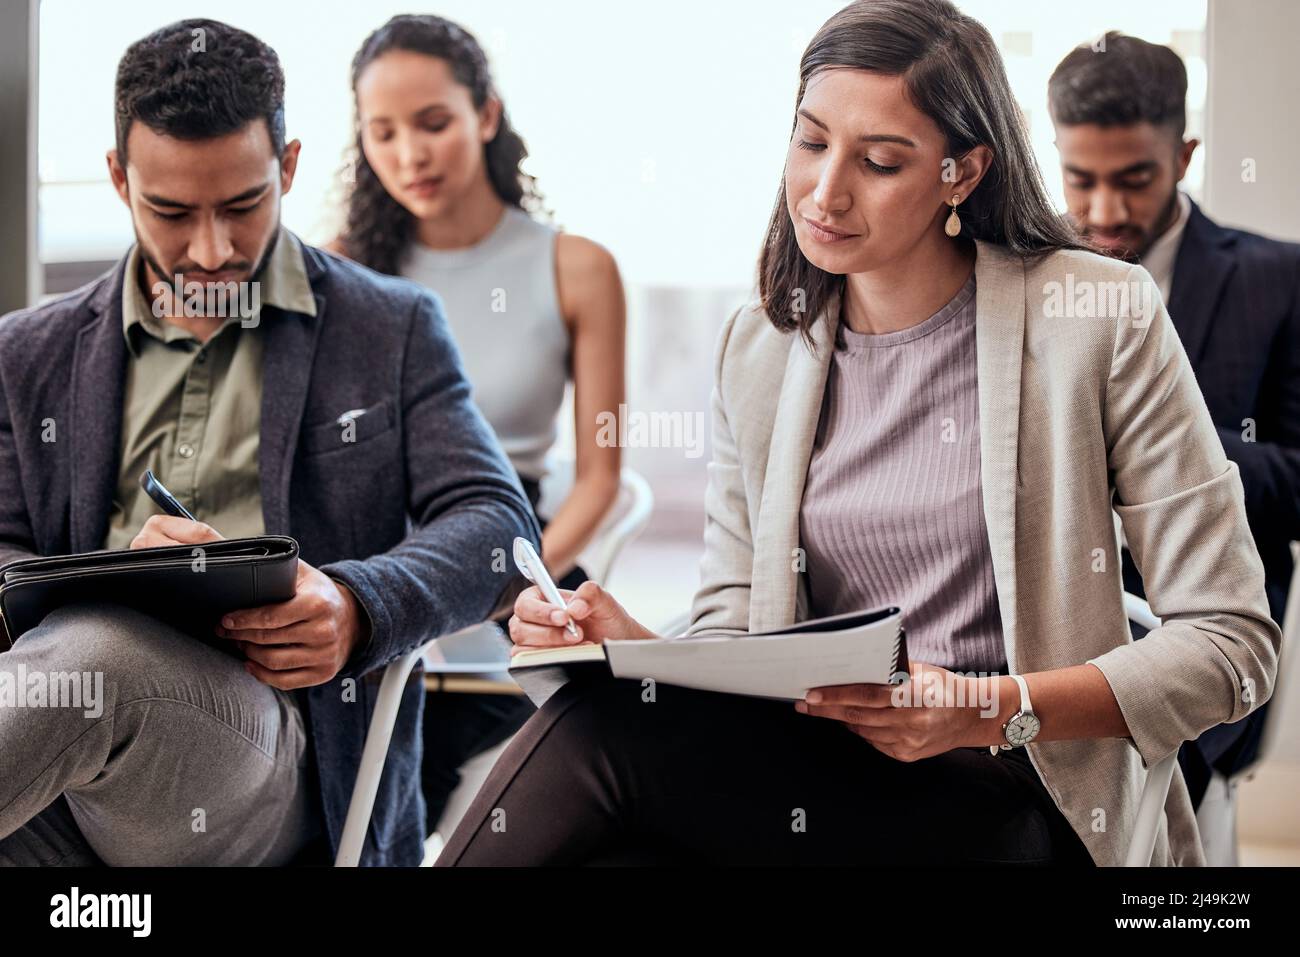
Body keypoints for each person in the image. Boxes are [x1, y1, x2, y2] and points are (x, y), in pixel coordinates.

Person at [437, 0, 1279, 867]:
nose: (825, 191)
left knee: (591, 746)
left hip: (1015, 790)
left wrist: (990, 703)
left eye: (879, 161)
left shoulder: (1098, 315)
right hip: (818, 776)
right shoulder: (761, 344)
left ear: (963, 171)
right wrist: (636, 649)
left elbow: (1232, 644)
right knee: (603, 759)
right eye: (810, 142)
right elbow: (740, 635)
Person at [0, 19, 539, 866]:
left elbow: (499, 527)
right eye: (170, 212)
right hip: (52, 763)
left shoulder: (386, 329)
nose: (210, 252)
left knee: (101, 664)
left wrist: (357, 606)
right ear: (118, 178)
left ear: (287, 168)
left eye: (244, 206)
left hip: (277, 761)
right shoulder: (27, 354)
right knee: (83, 661)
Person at [331, 14, 626, 834]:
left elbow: (601, 476)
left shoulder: (577, 267)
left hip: (522, 558)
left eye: (433, 124)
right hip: (383, 562)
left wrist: (496, 590)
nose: (409, 156)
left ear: (486, 115)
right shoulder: (344, 271)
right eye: (381, 133)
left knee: (570, 768)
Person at [1048, 31, 1300, 809]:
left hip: (1201, 687)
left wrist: (1156, 446)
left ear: (1185, 157)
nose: (1104, 210)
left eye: (1135, 179)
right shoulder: (1019, 278)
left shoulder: (1278, 280)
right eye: (1079, 179)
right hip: (1039, 656)